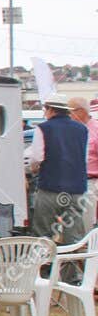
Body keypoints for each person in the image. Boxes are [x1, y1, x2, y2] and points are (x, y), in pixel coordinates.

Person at [25, 94, 89, 271]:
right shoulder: (82, 129)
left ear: (50, 110)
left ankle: (41, 274)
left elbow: (36, 157)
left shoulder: (43, 128)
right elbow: (82, 159)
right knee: (73, 238)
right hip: (76, 190)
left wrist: (33, 169)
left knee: (43, 234)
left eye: (45, 109)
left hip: (50, 188)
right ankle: (73, 277)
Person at [72, 98, 98, 234]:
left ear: (81, 111)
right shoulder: (75, 129)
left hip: (92, 182)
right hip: (77, 182)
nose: (69, 115)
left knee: (88, 223)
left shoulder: (95, 129)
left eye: (71, 111)